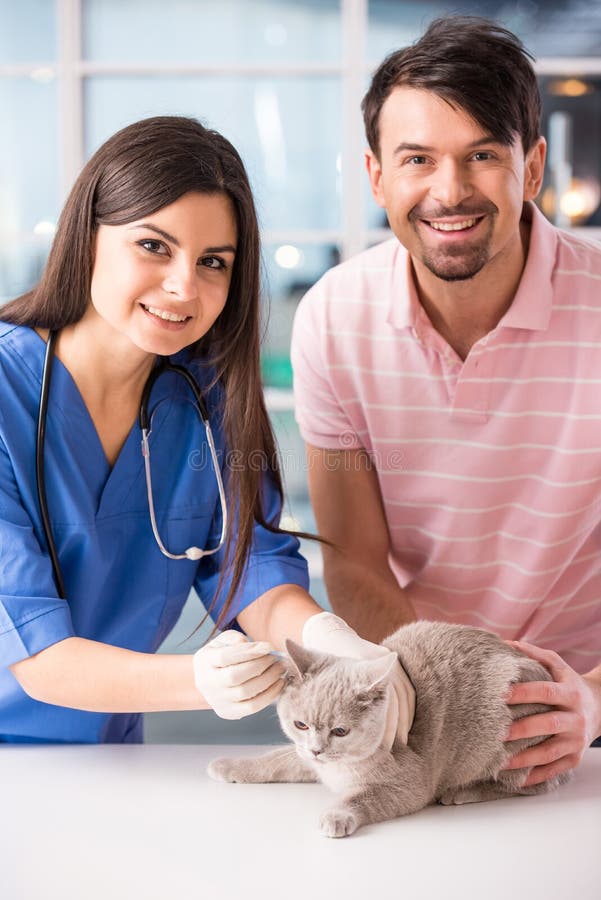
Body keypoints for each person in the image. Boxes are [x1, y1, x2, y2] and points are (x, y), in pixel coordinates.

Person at [0, 116, 413, 744]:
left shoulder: (204, 400)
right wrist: (201, 682)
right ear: (87, 237)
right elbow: (36, 657)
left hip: (106, 763)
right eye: (154, 246)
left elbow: (253, 574)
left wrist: (334, 643)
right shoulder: (8, 393)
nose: (183, 286)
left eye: (213, 261)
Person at [291, 16, 601, 783]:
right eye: (417, 160)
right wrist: (438, 699)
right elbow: (355, 565)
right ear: (376, 178)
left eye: (481, 157)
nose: (449, 191)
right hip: (423, 712)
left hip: (581, 715)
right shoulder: (332, 319)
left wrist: (589, 703)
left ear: (530, 169)